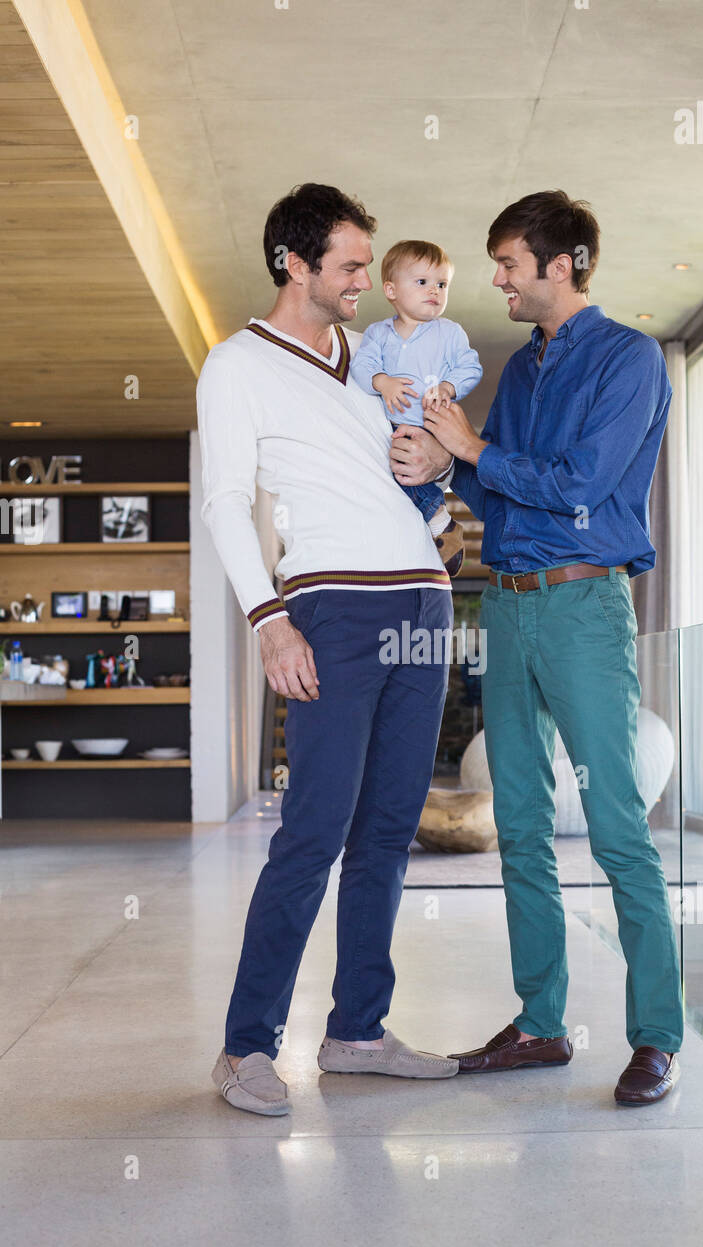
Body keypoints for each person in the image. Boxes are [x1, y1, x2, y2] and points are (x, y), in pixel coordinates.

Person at [390, 190, 684, 1106]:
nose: (497, 279)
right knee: (517, 825)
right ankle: (542, 1024)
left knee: (618, 830)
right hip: (507, 607)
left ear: (564, 265)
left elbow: (585, 484)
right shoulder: (519, 370)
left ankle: (656, 1038)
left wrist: (474, 449)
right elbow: (508, 496)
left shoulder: (632, 359)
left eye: (510, 263)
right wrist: (451, 466)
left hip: (584, 607)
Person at [197, 183, 459, 1115]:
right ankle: (245, 1047)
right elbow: (226, 501)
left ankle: (356, 1031)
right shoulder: (236, 365)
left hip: (423, 603)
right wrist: (269, 619)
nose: (366, 281)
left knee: (389, 830)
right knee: (313, 832)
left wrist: (438, 469)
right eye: (350, 266)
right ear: (294, 265)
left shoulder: (366, 359)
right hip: (333, 612)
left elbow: (403, 468)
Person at [349, 238, 482, 576]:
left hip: (433, 425)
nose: (434, 291)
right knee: (390, 471)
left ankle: (435, 523)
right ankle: (436, 522)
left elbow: (470, 367)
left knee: (406, 469)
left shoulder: (449, 333)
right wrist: (383, 381)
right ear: (391, 290)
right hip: (393, 426)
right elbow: (362, 367)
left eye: (442, 284)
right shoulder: (378, 334)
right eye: (422, 282)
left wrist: (449, 386)